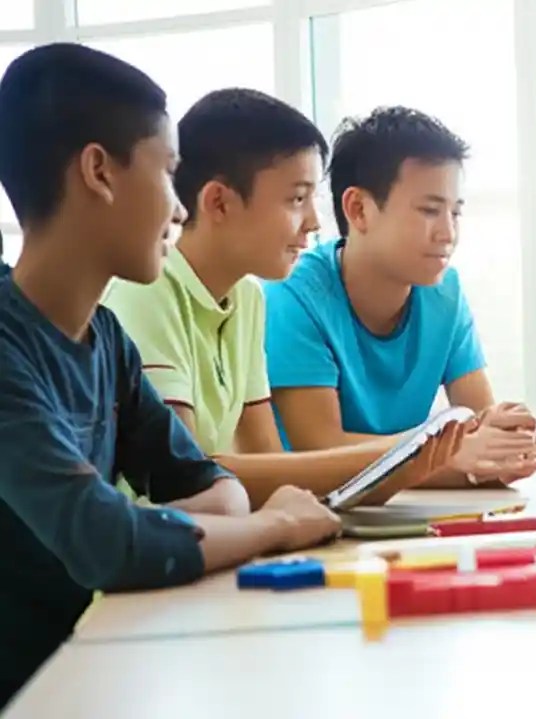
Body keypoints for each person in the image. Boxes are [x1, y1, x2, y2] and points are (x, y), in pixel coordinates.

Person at [0, 44, 341, 707]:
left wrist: (145, 531)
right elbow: (109, 546)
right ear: (98, 171)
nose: (179, 209)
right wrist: (276, 529)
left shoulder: (107, 339)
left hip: (94, 668)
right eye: (169, 173)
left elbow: (214, 488)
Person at [101, 89, 479, 508]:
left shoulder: (246, 297)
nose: (315, 222)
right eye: (297, 199)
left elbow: (268, 463)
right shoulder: (148, 293)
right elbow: (188, 476)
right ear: (219, 203)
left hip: (216, 536)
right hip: (156, 556)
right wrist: (415, 452)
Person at [263, 107, 536, 485]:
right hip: (316, 513)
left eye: (455, 213)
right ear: (358, 210)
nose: (447, 233)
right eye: (429, 210)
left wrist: (509, 437)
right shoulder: (293, 294)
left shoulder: (444, 291)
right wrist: (459, 458)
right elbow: (322, 448)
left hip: (405, 507)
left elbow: (479, 424)